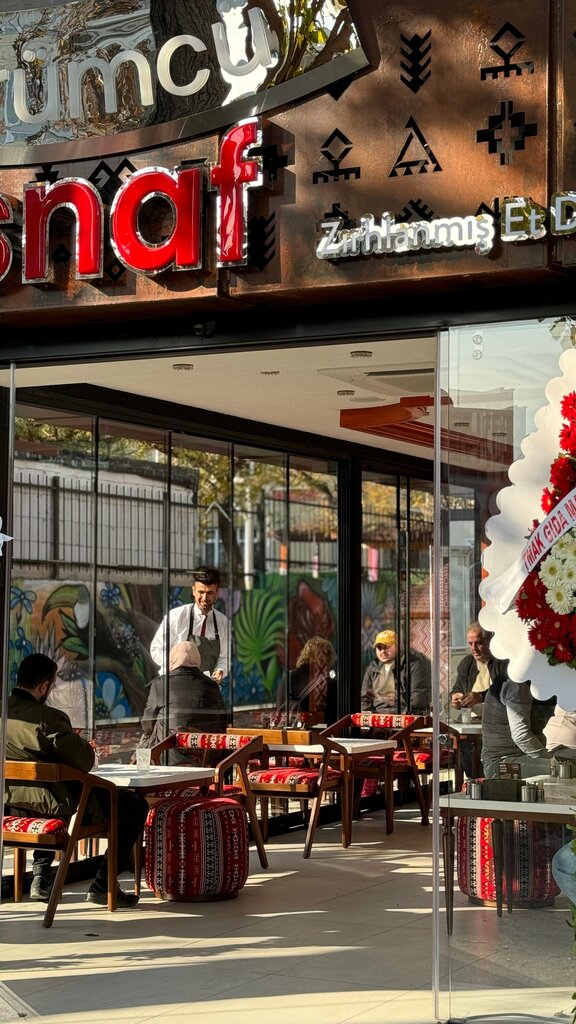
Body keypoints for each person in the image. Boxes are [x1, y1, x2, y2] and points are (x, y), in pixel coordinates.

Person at [5, 653, 148, 907]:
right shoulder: (47, 718)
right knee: (134, 805)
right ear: (43, 686)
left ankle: (41, 878)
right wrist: (82, 744)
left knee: (46, 800)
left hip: (14, 801)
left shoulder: (6, 714)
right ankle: (103, 884)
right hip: (62, 804)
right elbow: (84, 760)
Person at [139, 641, 227, 763]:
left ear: (172, 659)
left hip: (170, 754)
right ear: (197, 659)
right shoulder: (211, 684)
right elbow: (223, 719)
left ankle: (144, 774)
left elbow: (148, 723)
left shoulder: (160, 684)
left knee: (159, 723)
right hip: (207, 756)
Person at [150, 565, 230, 681]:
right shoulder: (176, 617)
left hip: (207, 687)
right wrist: (175, 663)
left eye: (210, 593)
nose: (204, 598)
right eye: (201, 592)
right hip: (175, 684)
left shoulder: (223, 623)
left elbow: (224, 657)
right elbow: (156, 649)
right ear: (193, 590)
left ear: (217, 592)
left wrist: (220, 670)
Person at [481, 675, 553, 779]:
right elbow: (520, 735)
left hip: (522, 757)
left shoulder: (533, 684)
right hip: (500, 765)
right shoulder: (517, 686)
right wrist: (551, 760)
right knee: (565, 770)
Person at [360, 630, 431, 715]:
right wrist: (368, 714)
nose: (383, 651)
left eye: (387, 647)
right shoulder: (373, 668)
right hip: (377, 717)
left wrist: (405, 713)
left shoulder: (414, 665)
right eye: (379, 647)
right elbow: (364, 698)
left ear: (398, 647)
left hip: (404, 715)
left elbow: (419, 696)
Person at [449, 622, 509, 716]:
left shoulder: (502, 662)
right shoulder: (467, 662)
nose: (474, 648)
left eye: (479, 643)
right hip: (468, 720)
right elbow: (457, 688)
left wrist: (481, 696)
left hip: (496, 719)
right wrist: (455, 697)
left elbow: (504, 689)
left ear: (489, 641)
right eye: (470, 643)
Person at [276, 636, 338, 725]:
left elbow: (279, 707)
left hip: (286, 733)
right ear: (327, 659)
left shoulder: (288, 677)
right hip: (316, 735)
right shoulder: (329, 684)